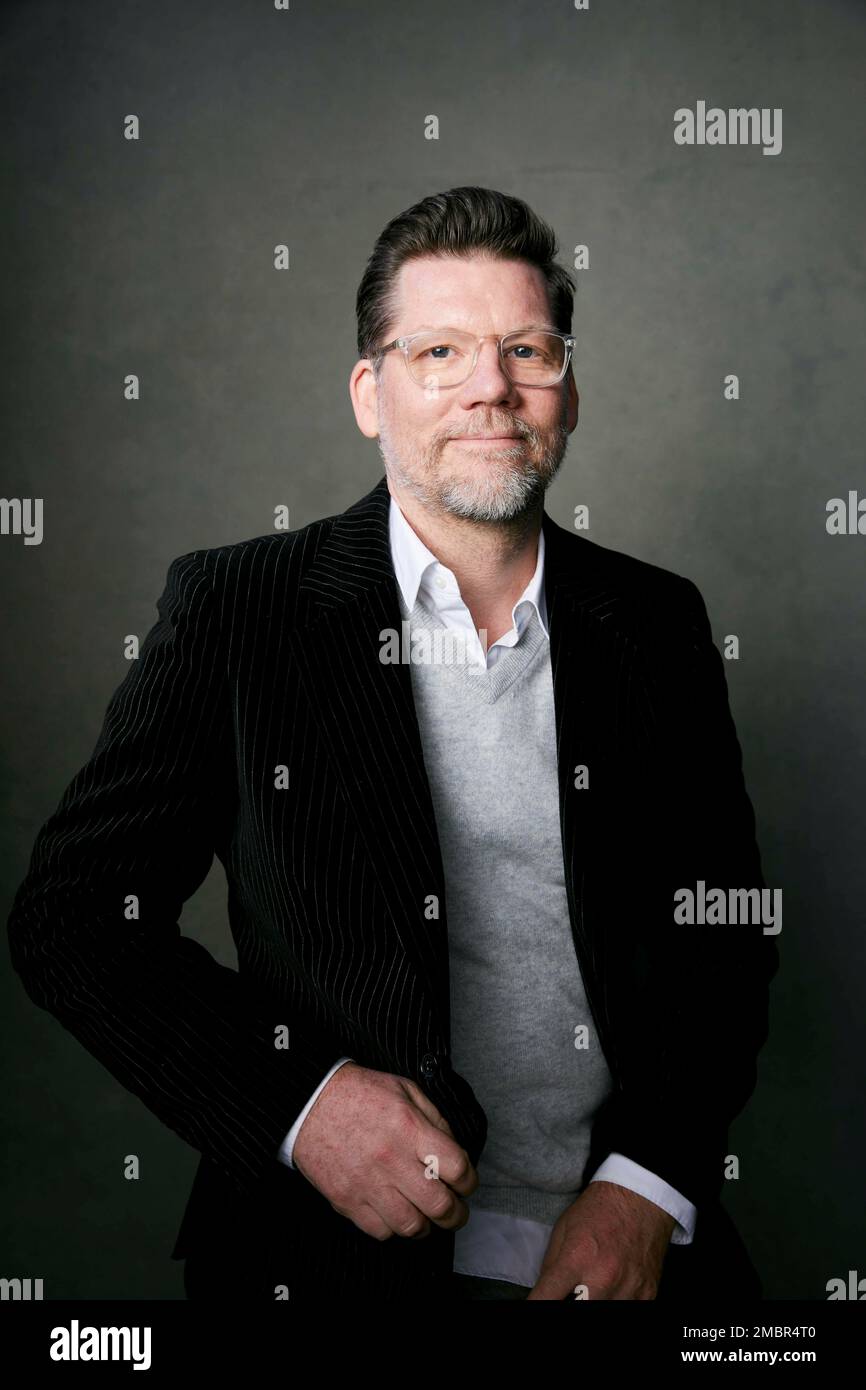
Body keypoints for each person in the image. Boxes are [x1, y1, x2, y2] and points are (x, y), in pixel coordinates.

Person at [7, 186, 779, 1302]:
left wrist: (646, 1185)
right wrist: (302, 1104)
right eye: (439, 351)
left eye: (527, 350)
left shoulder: (655, 623)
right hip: (326, 1266)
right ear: (371, 394)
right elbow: (72, 920)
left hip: (628, 1261)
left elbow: (723, 936)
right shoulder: (241, 611)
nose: (489, 386)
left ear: (567, 391)